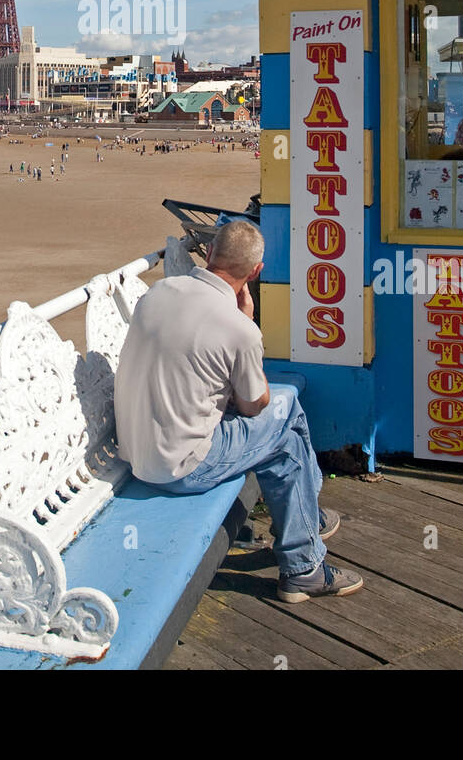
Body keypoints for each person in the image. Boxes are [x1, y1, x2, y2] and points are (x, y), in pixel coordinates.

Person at [114, 218, 362, 604]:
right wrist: (247, 321)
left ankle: (307, 522)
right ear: (256, 272)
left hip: (136, 456)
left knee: (285, 423)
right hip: (182, 467)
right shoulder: (237, 328)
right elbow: (254, 405)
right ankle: (303, 566)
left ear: (210, 254)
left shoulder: (159, 290)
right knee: (286, 420)